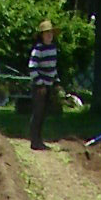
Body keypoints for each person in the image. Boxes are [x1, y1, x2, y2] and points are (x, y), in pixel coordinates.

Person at [27, 20, 59, 150]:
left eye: (50, 33)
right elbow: (32, 68)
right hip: (39, 87)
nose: (49, 35)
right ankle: (35, 141)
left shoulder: (52, 48)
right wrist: (40, 84)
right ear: (42, 35)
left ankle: (39, 139)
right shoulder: (38, 49)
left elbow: (53, 67)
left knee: (43, 114)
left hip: (48, 85)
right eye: (46, 33)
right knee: (38, 113)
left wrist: (56, 82)